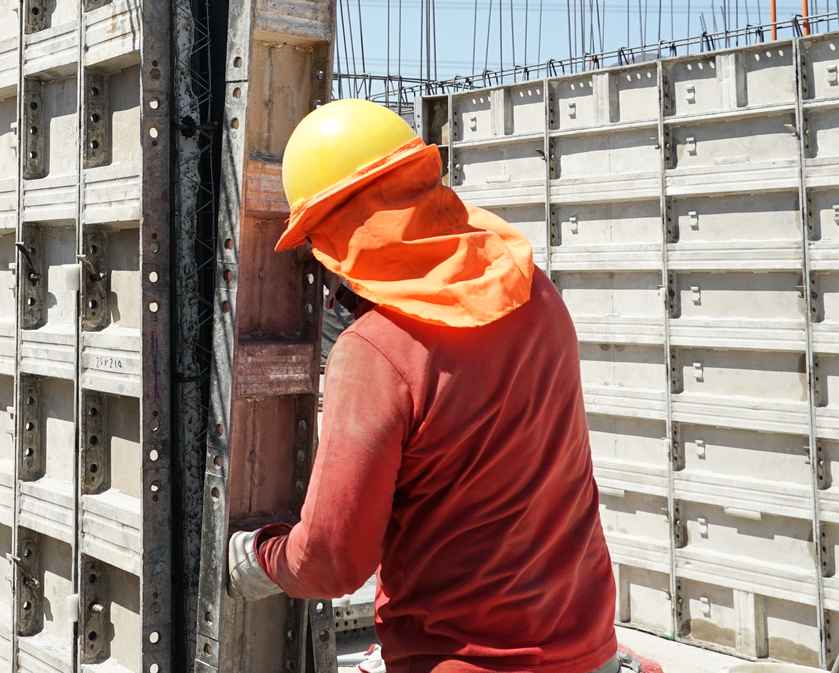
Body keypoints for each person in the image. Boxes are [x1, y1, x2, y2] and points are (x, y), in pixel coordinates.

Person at [225, 100, 637, 673]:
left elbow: (334, 562)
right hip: (585, 648)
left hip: (459, 660)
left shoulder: (376, 352)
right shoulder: (531, 291)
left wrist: (261, 558)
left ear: (336, 239)